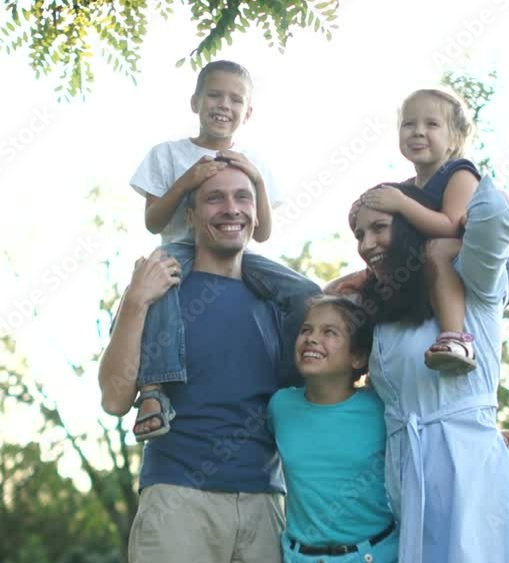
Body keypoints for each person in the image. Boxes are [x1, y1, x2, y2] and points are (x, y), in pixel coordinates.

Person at [99, 166, 321, 562]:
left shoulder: (281, 306)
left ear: (257, 212)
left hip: (265, 504)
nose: (231, 209)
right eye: (215, 198)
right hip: (177, 502)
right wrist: (135, 301)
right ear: (190, 216)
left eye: (242, 197)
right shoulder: (158, 289)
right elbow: (116, 399)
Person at [341, 178, 509, 563]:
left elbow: (495, 212)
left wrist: (431, 213)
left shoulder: (471, 283)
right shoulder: (384, 318)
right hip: (404, 481)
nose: (366, 245)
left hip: (471, 477)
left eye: (379, 228)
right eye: (360, 235)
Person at [128, 59, 314, 441]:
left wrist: (257, 180)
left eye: (235, 99)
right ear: (195, 102)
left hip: (237, 253)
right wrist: (186, 182)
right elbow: (154, 222)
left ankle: (293, 381)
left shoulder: (253, 161)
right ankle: (153, 391)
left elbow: (261, 234)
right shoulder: (167, 154)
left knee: (306, 294)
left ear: (247, 112)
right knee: (159, 278)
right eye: (214, 95)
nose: (223, 105)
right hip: (181, 248)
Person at [353, 89, 509, 375]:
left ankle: (456, 338)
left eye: (431, 124)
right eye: (408, 124)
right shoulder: (410, 186)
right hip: (437, 262)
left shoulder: (459, 174)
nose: (418, 131)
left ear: (455, 139)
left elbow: (449, 226)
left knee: (435, 249)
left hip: (470, 257)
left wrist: (401, 204)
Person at [269, 295, 399, 563]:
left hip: (374, 555)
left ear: (358, 356)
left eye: (330, 332)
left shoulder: (381, 408)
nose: (312, 338)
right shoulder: (280, 405)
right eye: (306, 329)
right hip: (298, 557)